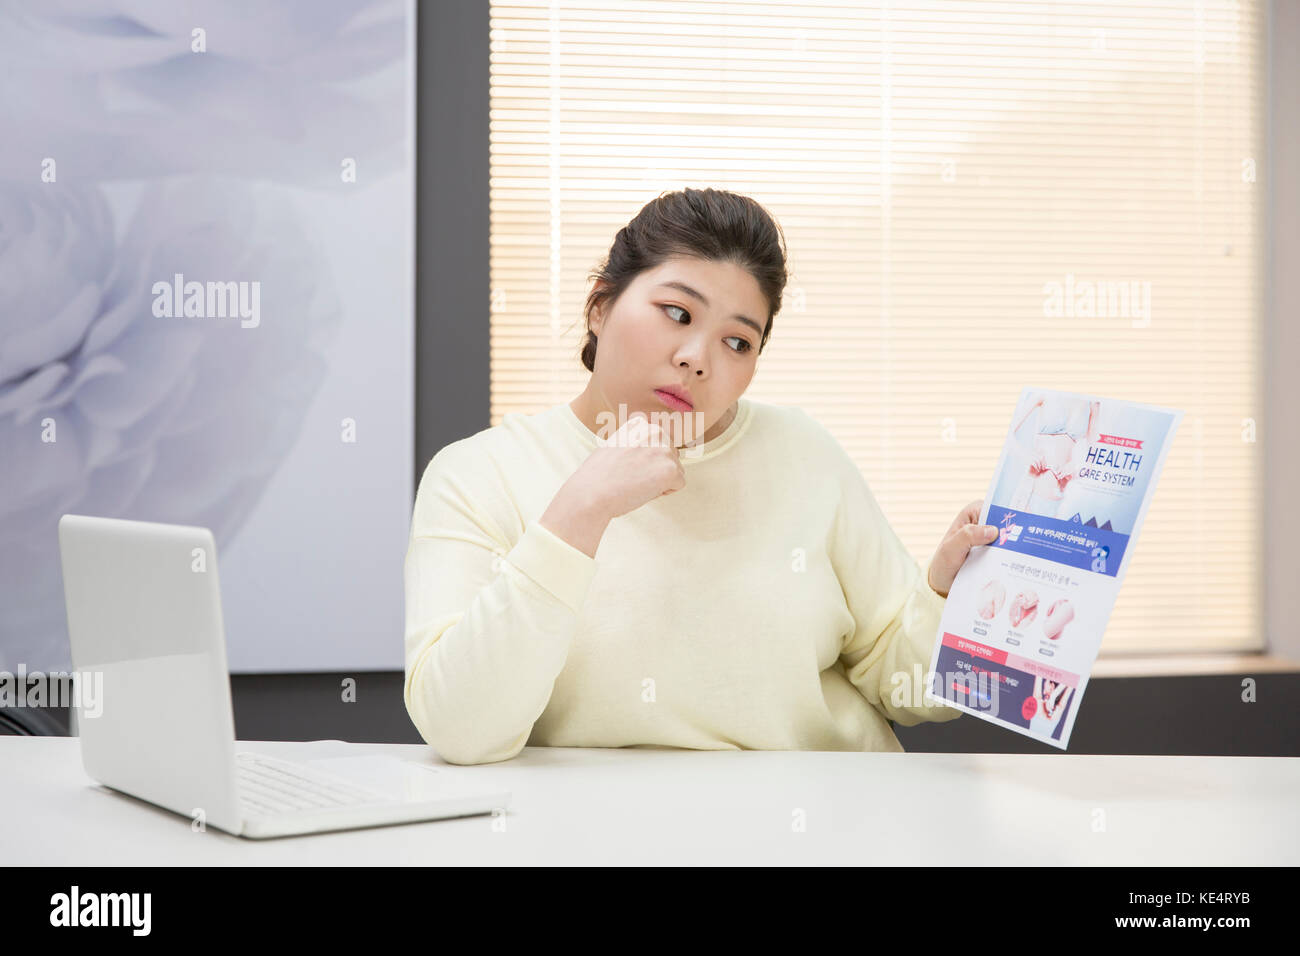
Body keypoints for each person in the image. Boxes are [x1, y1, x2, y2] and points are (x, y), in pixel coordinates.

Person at [403, 187, 998, 765]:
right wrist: (581, 509)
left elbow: (910, 689)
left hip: (822, 825)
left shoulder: (803, 453)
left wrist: (946, 596)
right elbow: (462, 729)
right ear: (600, 307)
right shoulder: (477, 474)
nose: (697, 356)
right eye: (677, 312)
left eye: (738, 341)